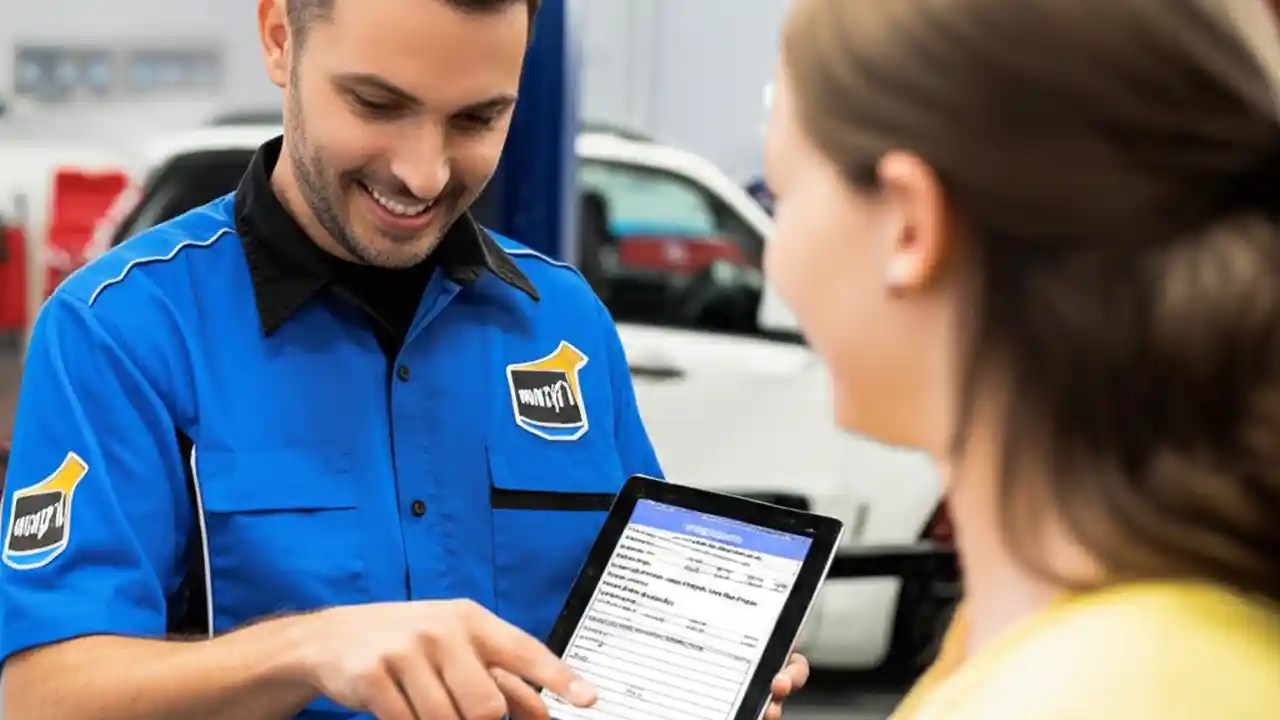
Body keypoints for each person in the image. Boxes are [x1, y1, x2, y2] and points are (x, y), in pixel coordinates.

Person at [0, 1, 812, 718]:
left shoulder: (565, 324)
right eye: (378, 104)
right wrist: (307, 651)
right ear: (280, 37)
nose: (422, 173)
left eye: (476, 120)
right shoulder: (122, 332)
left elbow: (615, 662)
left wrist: (702, 682)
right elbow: (43, 696)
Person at [761, 0, 1280, 717]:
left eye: (782, 194)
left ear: (911, 224)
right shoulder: (1107, 639)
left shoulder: (1095, 691)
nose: (773, 258)